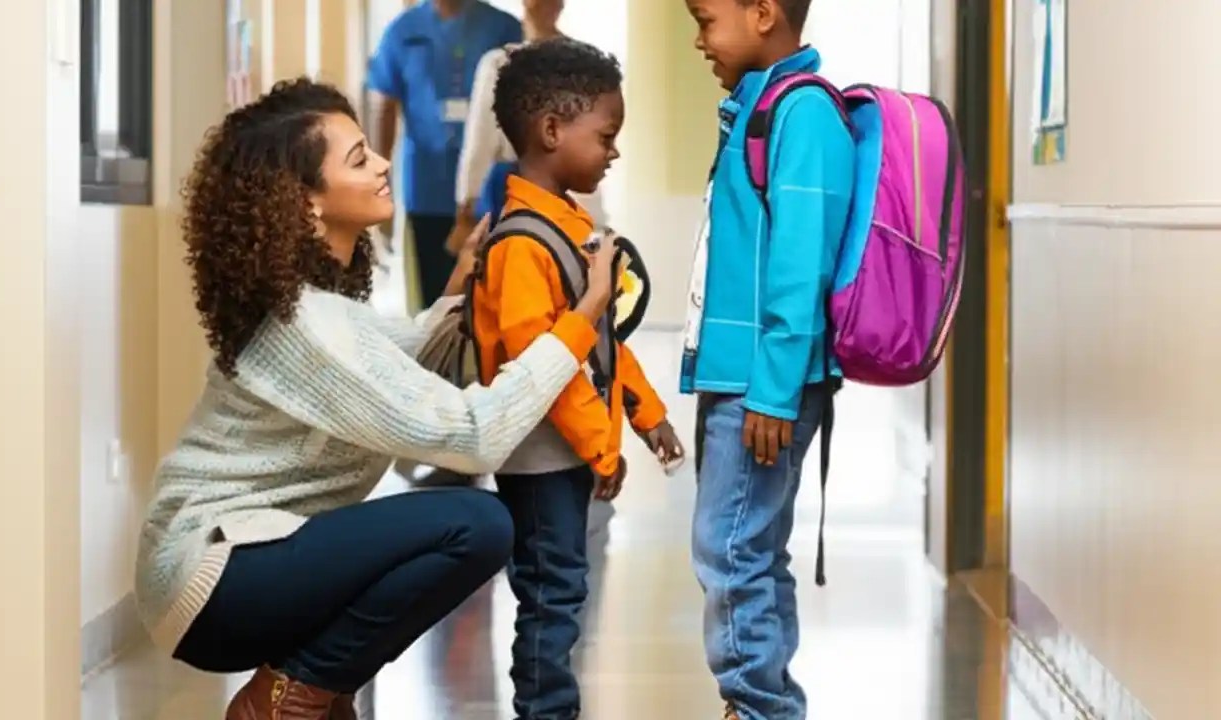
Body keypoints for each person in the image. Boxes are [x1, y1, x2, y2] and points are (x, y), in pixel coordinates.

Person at [132, 78, 619, 720]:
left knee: (451, 526)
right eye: (360, 159)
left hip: (238, 562)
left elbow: (398, 360)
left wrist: (463, 286)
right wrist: (580, 321)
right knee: (475, 525)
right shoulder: (308, 325)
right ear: (305, 201)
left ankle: (315, 695)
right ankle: (288, 699)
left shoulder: (317, 308)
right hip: (213, 574)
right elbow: (475, 436)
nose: (385, 163)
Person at [472, 39, 684, 720]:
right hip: (538, 461)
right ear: (551, 130)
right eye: (606, 136)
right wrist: (602, 446)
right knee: (550, 595)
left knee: (562, 589)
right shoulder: (522, 244)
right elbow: (546, 366)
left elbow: (600, 343)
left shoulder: (567, 228)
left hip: (565, 453)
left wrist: (647, 415)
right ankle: (545, 712)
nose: (613, 152)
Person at [679, 1, 855, 719]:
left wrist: (774, 391)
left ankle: (756, 706)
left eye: (706, 19)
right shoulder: (758, 106)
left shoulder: (801, 113)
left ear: (761, 13)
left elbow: (801, 263)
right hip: (739, 376)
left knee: (727, 546)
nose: (699, 41)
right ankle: (764, 704)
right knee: (749, 546)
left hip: (762, 383)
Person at [367, 0, 521, 307]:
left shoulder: (503, 27)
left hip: (494, 189)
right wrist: (378, 182)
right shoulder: (403, 31)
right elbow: (385, 107)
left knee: (493, 295)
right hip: (427, 184)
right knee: (434, 296)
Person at [454, 0, 607, 236]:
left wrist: (595, 222)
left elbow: (590, 141)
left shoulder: (584, 65)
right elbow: (480, 142)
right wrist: (467, 204)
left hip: (565, 196)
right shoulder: (498, 64)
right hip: (513, 195)